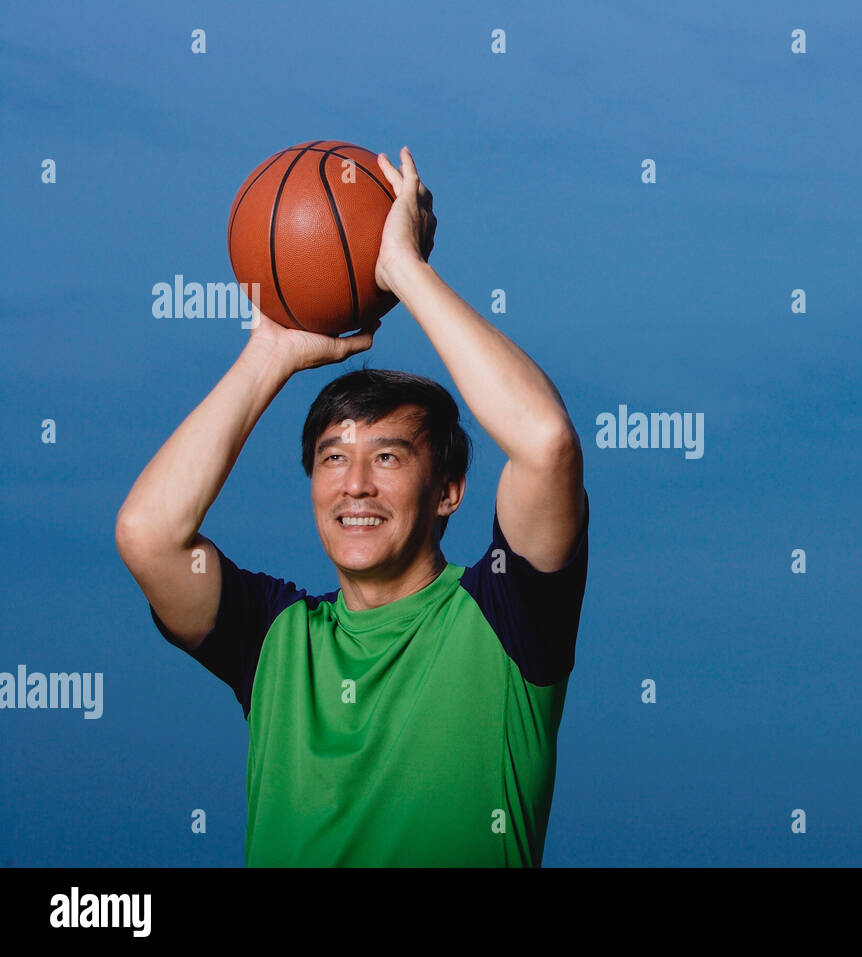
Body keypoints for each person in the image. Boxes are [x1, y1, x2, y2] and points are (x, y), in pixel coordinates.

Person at [114, 147, 589, 867]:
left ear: (449, 491)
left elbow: (546, 442)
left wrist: (405, 271)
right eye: (333, 457)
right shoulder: (276, 639)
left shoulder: (507, 614)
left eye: (389, 456)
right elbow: (148, 535)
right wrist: (269, 351)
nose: (355, 484)